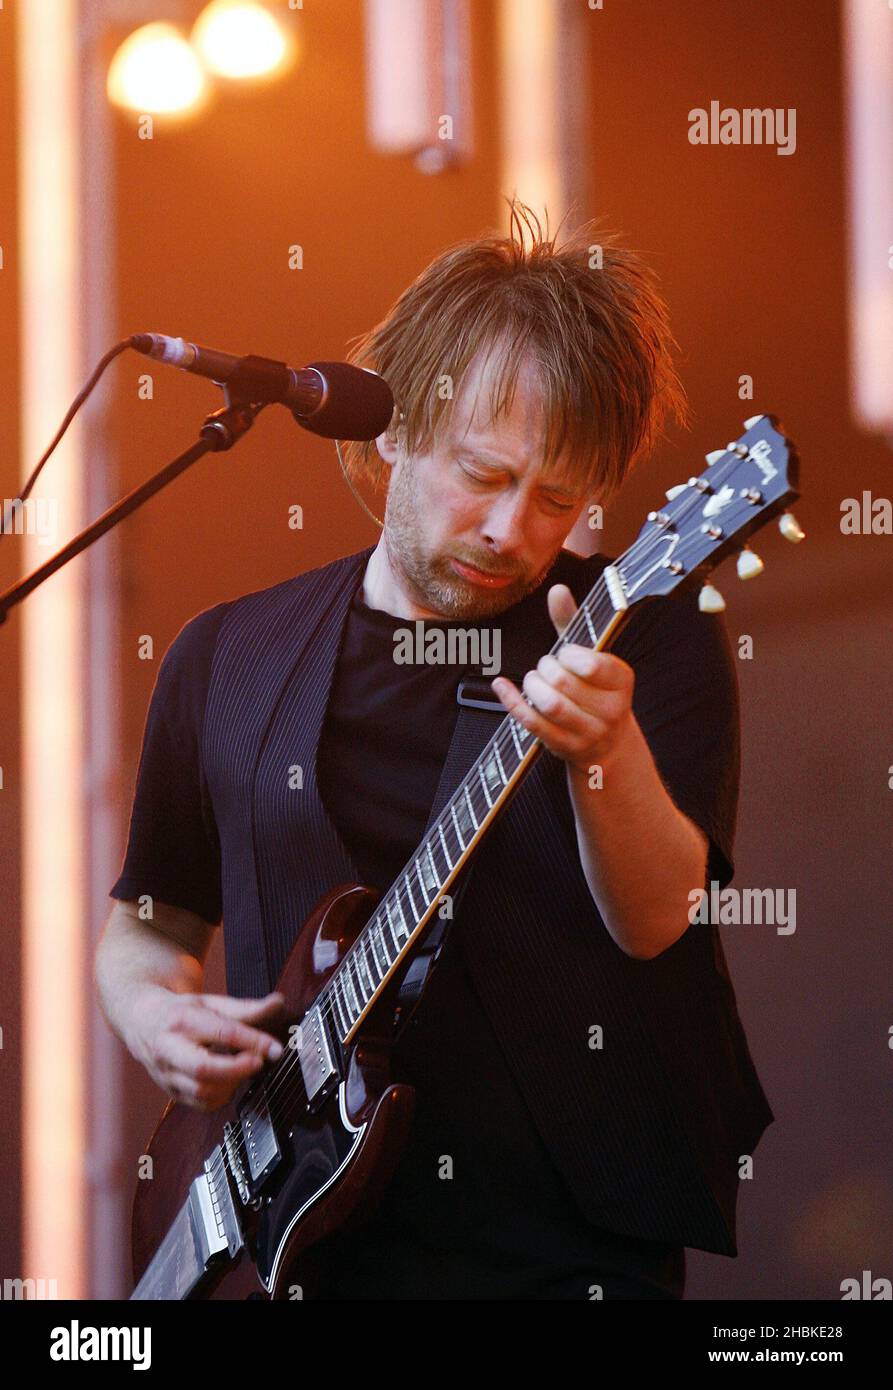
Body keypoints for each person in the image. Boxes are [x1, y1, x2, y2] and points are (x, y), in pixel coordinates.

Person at [95, 200, 774, 1300]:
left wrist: (601, 748)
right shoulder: (227, 653)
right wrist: (150, 1012)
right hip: (280, 1239)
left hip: (555, 1260)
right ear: (392, 427)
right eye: (482, 473)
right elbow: (149, 924)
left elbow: (659, 920)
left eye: (556, 496)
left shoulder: (641, 630)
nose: (511, 528)